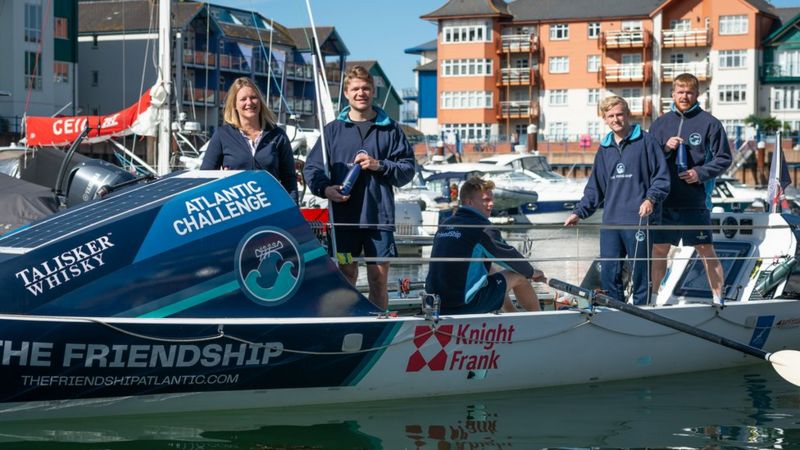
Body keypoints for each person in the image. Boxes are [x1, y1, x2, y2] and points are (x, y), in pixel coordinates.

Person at [303, 65, 416, 310]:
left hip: (378, 221)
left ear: (373, 91)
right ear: (346, 93)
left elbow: (407, 169)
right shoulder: (333, 130)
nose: (361, 93)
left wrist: (380, 165)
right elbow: (311, 169)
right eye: (355, 89)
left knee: (378, 279)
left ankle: (379, 327)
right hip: (344, 221)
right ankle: (348, 325)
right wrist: (326, 190)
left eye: (366, 88)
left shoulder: (390, 129)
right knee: (345, 274)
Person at [564, 96, 669, 305]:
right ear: (604, 119)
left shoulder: (646, 141)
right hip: (611, 221)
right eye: (610, 116)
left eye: (619, 114)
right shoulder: (604, 148)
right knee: (609, 272)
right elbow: (595, 187)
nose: (616, 119)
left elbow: (662, 177)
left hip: (638, 218)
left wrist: (651, 199)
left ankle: (643, 310)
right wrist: (579, 212)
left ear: (628, 114)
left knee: (640, 272)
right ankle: (617, 310)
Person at [649, 73, 732, 304]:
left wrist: (700, 173)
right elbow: (648, 160)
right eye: (680, 91)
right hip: (665, 202)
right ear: (672, 94)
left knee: (706, 248)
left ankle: (718, 299)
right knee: (659, 250)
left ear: (697, 95)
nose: (684, 96)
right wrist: (665, 148)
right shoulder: (660, 124)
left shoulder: (709, 123)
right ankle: (654, 299)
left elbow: (724, 158)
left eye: (689, 92)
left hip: (695, 201)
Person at [426, 177, 546, 314]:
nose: (491, 204)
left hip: (437, 303)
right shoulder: (481, 228)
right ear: (469, 202)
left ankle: (512, 314)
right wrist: (531, 272)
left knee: (490, 269)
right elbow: (509, 256)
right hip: (464, 305)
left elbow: (502, 251)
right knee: (519, 275)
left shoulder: (446, 224)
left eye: (491, 199)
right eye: (485, 200)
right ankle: (538, 319)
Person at [201, 77, 298, 202]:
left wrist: (293, 209)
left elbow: (289, 179)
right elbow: (205, 178)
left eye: (253, 97)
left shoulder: (278, 135)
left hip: (272, 207)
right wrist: (222, 181)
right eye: (243, 99)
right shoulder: (222, 135)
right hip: (236, 210)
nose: (249, 103)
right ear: (234, 105)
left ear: (260, 102)